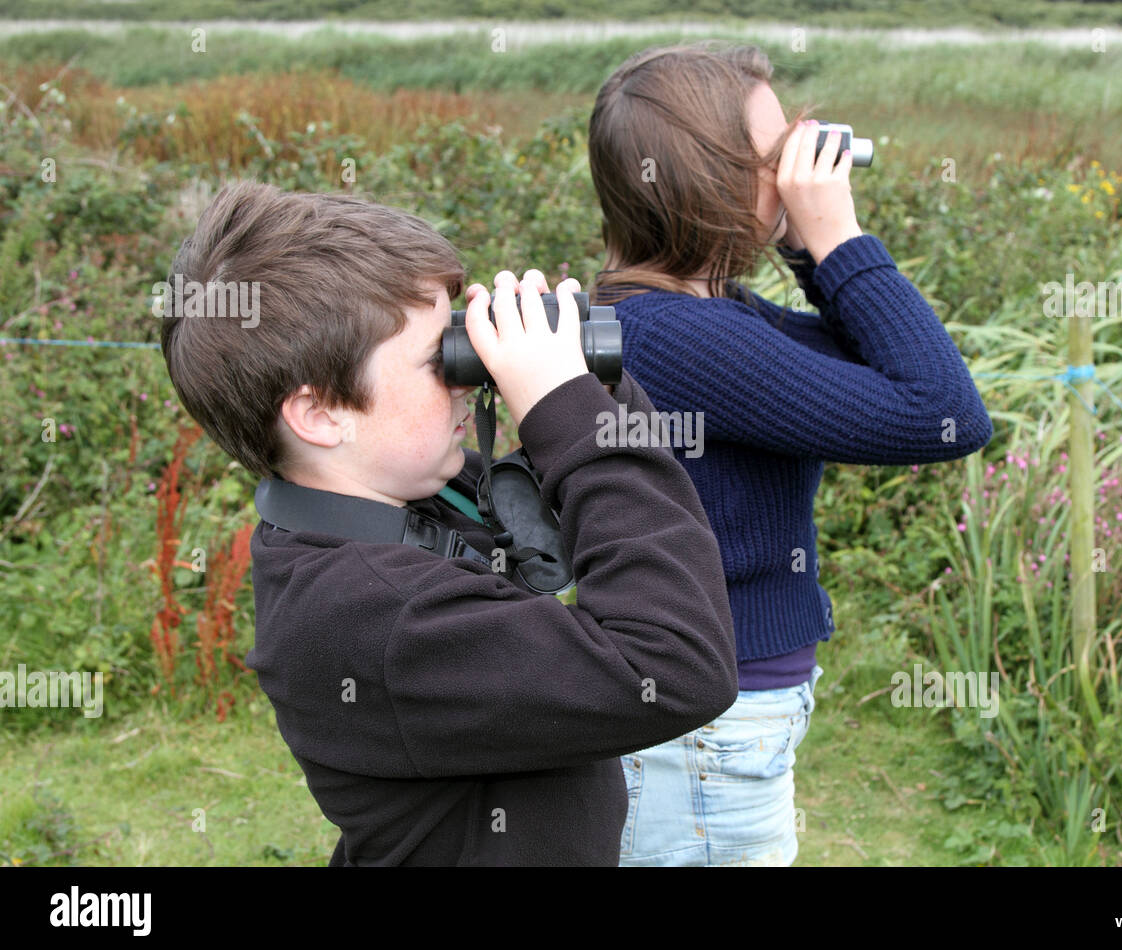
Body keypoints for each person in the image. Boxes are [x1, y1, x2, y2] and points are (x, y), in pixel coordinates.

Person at [158, 180, 738, 865]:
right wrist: (564, 408)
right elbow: (674, 663)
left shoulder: (395, 505)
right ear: (320, 415)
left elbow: (601, 507)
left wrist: (587, 385)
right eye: (439, 359)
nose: (466, 376)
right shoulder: (377, 613)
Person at [587, 42, 994, 866]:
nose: (803, 165)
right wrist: (837, 236)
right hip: (709, 729)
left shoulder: (692, 319)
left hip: (717, 719)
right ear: (711, 178)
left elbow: (888, 367)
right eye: (777, 156)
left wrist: (806, 251)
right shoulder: (679, 338)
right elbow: (945, 414)